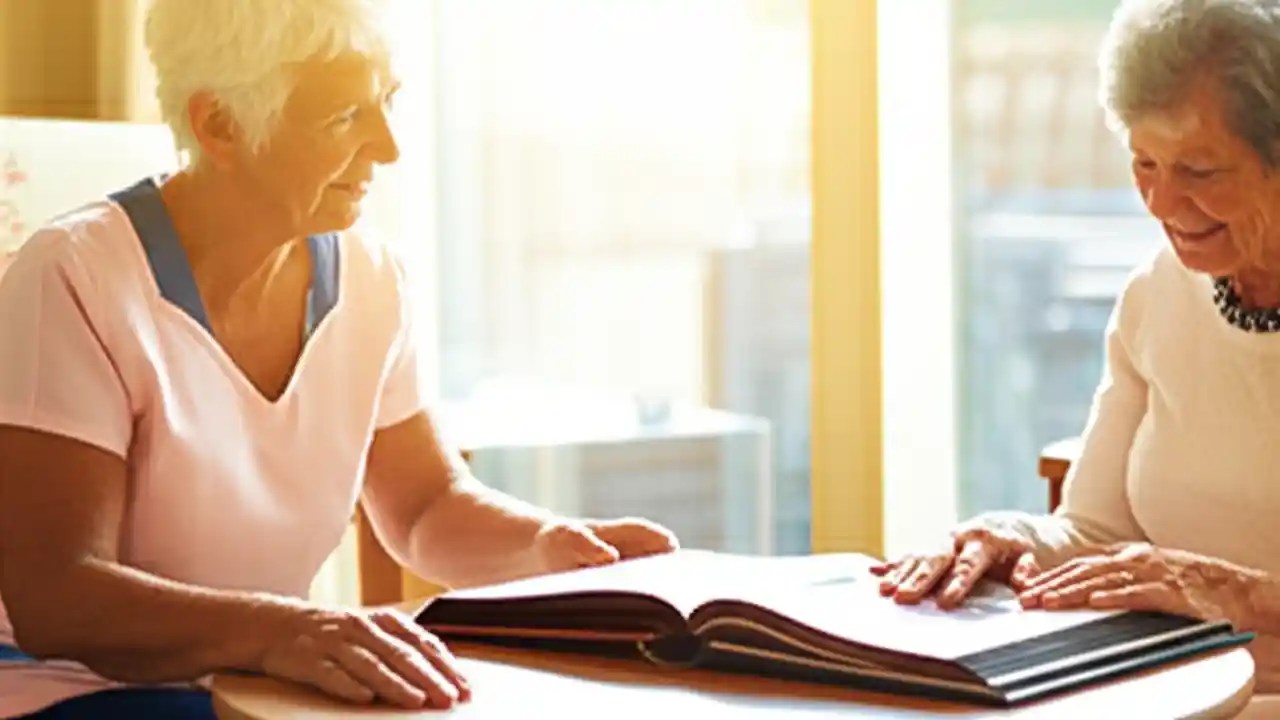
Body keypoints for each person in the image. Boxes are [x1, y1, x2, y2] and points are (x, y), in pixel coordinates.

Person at [0, 1, 678, 717]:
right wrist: (287, 631)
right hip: (70, 691)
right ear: (220, 125)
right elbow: (58, 597)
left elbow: (423, 509)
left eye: (386, 103)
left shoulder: (372, 277)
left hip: (255, 686)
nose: (388, 147)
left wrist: (547, 548)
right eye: (344, 117)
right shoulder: (72, 275)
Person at [874, 0, 1280, 711]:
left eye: (1201, 169)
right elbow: (1095, 531)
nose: (1161, 200)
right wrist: (1004, 537)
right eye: (1143, 163)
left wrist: (1238, 591)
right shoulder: (1158, 294)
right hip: (1171, 691)